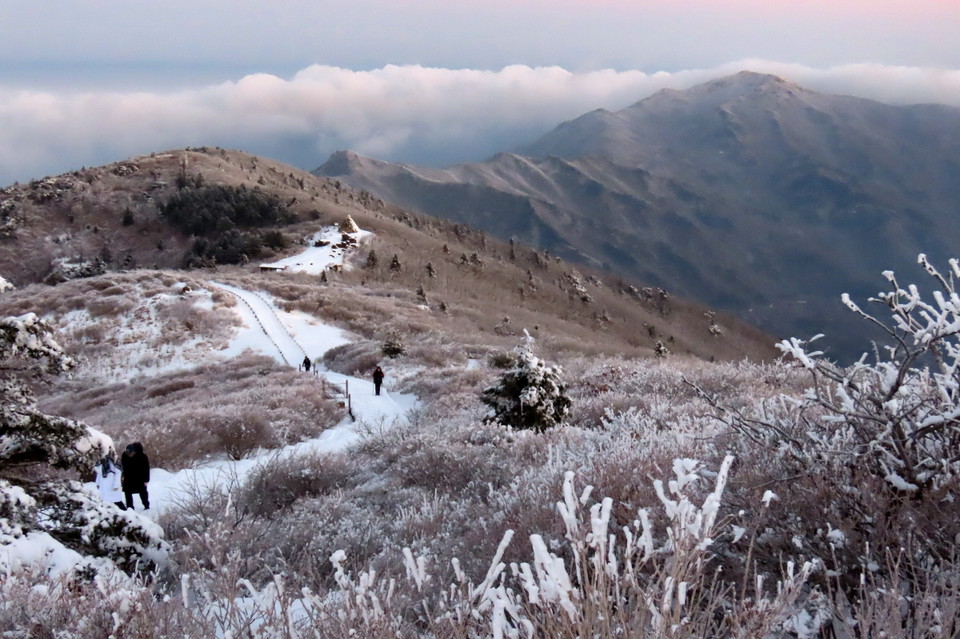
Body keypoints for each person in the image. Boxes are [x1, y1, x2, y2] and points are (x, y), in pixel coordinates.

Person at [121, 442, 150, 510]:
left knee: (143, 492)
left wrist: (146, 480)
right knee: (127, 492)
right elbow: (123, 467)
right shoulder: (125, 456)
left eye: (131, 453)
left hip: (140, 477)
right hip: (128, 477)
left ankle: (146, 505)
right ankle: (130, 508)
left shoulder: (142, 456)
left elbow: (146, 469)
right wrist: (123, 476)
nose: (129, 455)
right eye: (128, 453)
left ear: (135, 452)